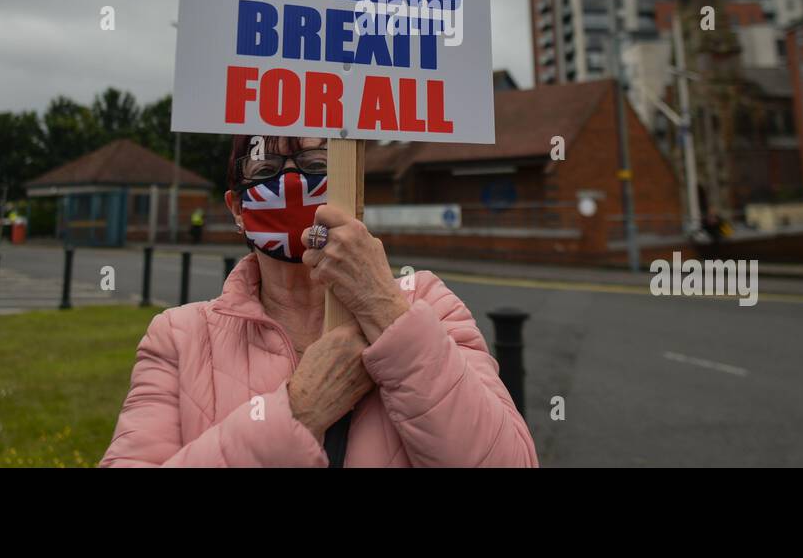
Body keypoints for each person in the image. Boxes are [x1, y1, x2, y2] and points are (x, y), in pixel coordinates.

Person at [100, 134, 538, 468]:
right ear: (236, 209)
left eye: (315, 163)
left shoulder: (426, 304)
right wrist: (298, 412)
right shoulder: (178, 337)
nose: (290, 181)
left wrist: (384, 310)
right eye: (265, 168)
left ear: (348, 187)